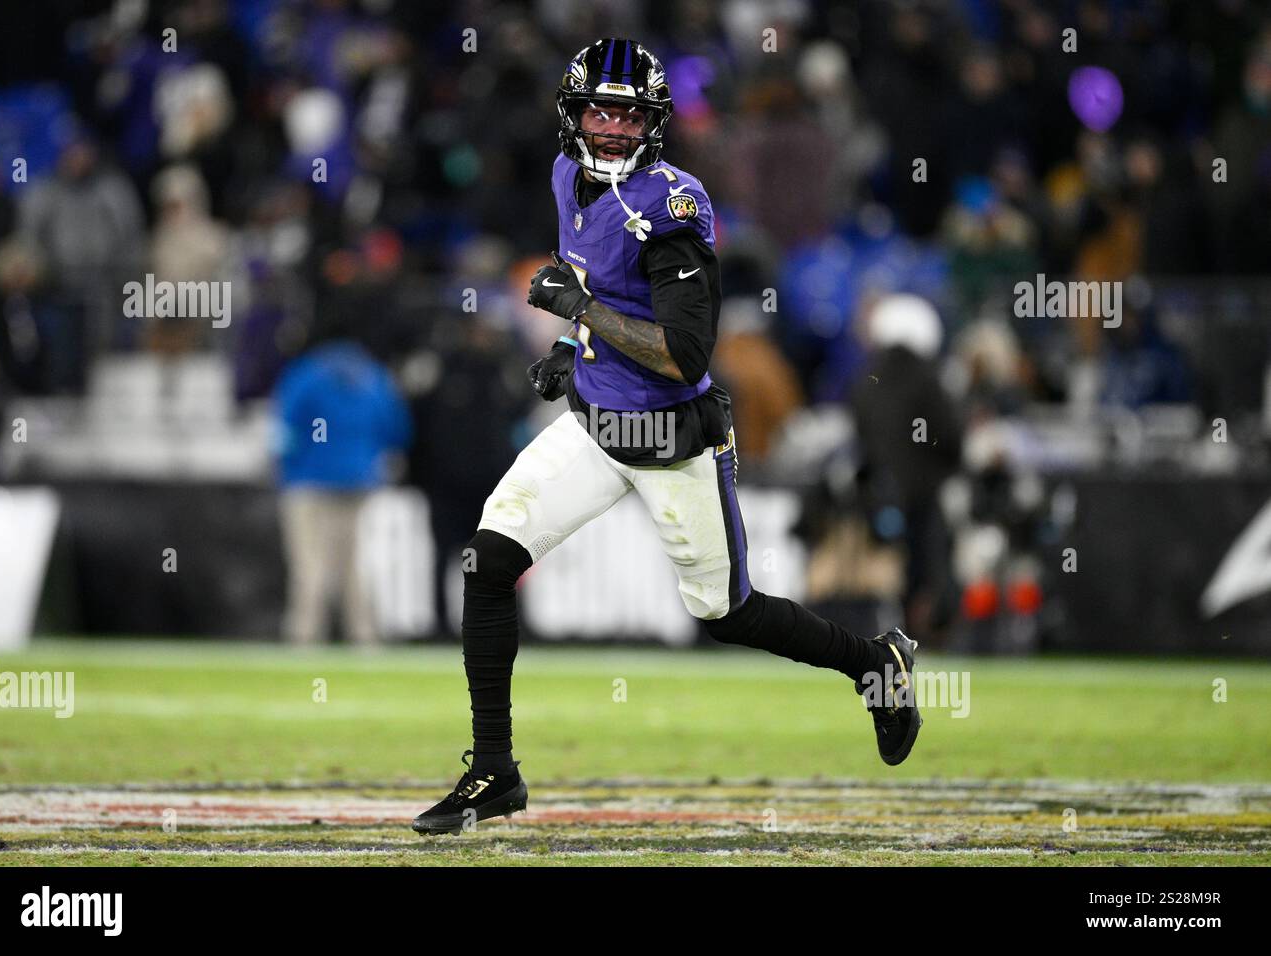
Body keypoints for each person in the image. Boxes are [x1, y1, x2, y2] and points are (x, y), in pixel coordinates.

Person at [412, 39, 922, 836]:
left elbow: (683, 351)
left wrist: (581, 318)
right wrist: (571, 349)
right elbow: (591, 281)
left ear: (652, 124)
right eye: (598, 111)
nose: (611, 127)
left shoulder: (670, 207)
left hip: (669, 436)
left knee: (728, 613)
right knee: (489, 560)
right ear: (573, 115)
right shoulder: (564, 177)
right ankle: (494, 770)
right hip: (594, 422)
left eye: (627, 114)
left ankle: (873, 664)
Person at [273, 332, 412, 646]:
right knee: (357, 565)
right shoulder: (374, 377)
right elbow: (397, 432)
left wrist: (286, 468)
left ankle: (305, 638)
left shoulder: (305, 375)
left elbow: (284, 430)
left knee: (310, 564)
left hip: (308, 482)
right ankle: (364, 639)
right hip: (360, 482)